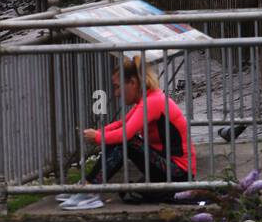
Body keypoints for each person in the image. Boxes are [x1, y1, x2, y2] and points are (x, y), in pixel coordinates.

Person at [60, 55, 195, 209]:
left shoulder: (152, 102)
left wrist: (97, 137)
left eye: (118, 87)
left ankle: (90, 188)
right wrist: (97, 132)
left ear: (132, 83)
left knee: (126, 141)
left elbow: (125, 134)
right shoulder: (148, 99)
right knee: (122, 139)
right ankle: (89, 185)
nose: (116, 94)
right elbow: (121, 124)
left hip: (179, 174)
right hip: (171, 169)